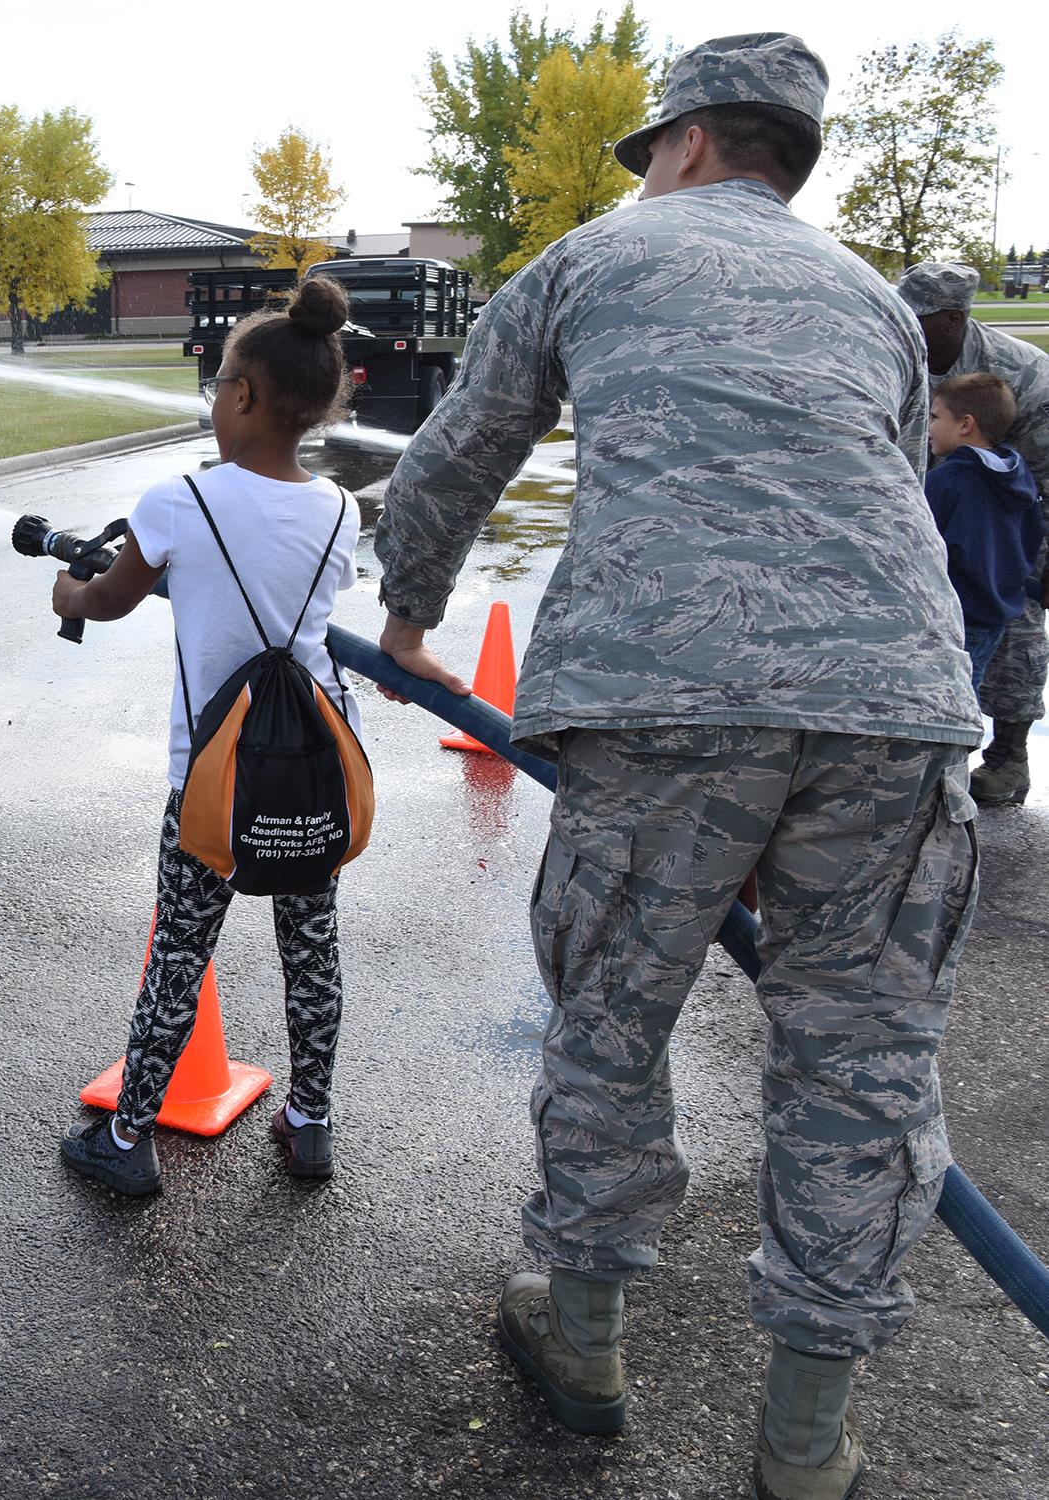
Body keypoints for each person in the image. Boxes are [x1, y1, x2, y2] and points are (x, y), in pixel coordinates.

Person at [371, 34, 980, 1500]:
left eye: (650, 148)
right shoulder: (875, 304)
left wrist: (408, 615)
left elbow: (459, 449)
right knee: (861, 1066)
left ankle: (582, 1343)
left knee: (612, 1019)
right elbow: (887, 488)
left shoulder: (597, 256)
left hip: (660, 698)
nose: (646, 171)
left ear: (694, 142)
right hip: (895, 704)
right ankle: (806, 1446)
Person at [53, 277, 362, 1198]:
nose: (214, 399)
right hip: (313, 768)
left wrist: (68, 591)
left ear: (243, 395)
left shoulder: (181, 500)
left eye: (219, 382)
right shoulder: (339, 509)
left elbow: (108, 599)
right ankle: (309, 1124)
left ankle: (130, 1138)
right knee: (311, 945)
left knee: (180, 956)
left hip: (216, 784)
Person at [898, 261, 1049, 804]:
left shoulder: (1020, 372)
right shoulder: (896, 352)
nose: (912, 324)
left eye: (926, 317)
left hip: (1003, 519)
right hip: (925, 512)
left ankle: (1007, 753)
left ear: (956, 318)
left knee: (1018, 619)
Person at [924, 372, 1046, 691]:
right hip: (995, 616)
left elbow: (919, 549)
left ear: (965, 424)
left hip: (957, 617)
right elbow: (1029, 539)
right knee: (968, 692)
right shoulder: (1017, 475)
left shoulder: (946, 482)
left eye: (935, 417)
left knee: (947, 699)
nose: (928, 427)